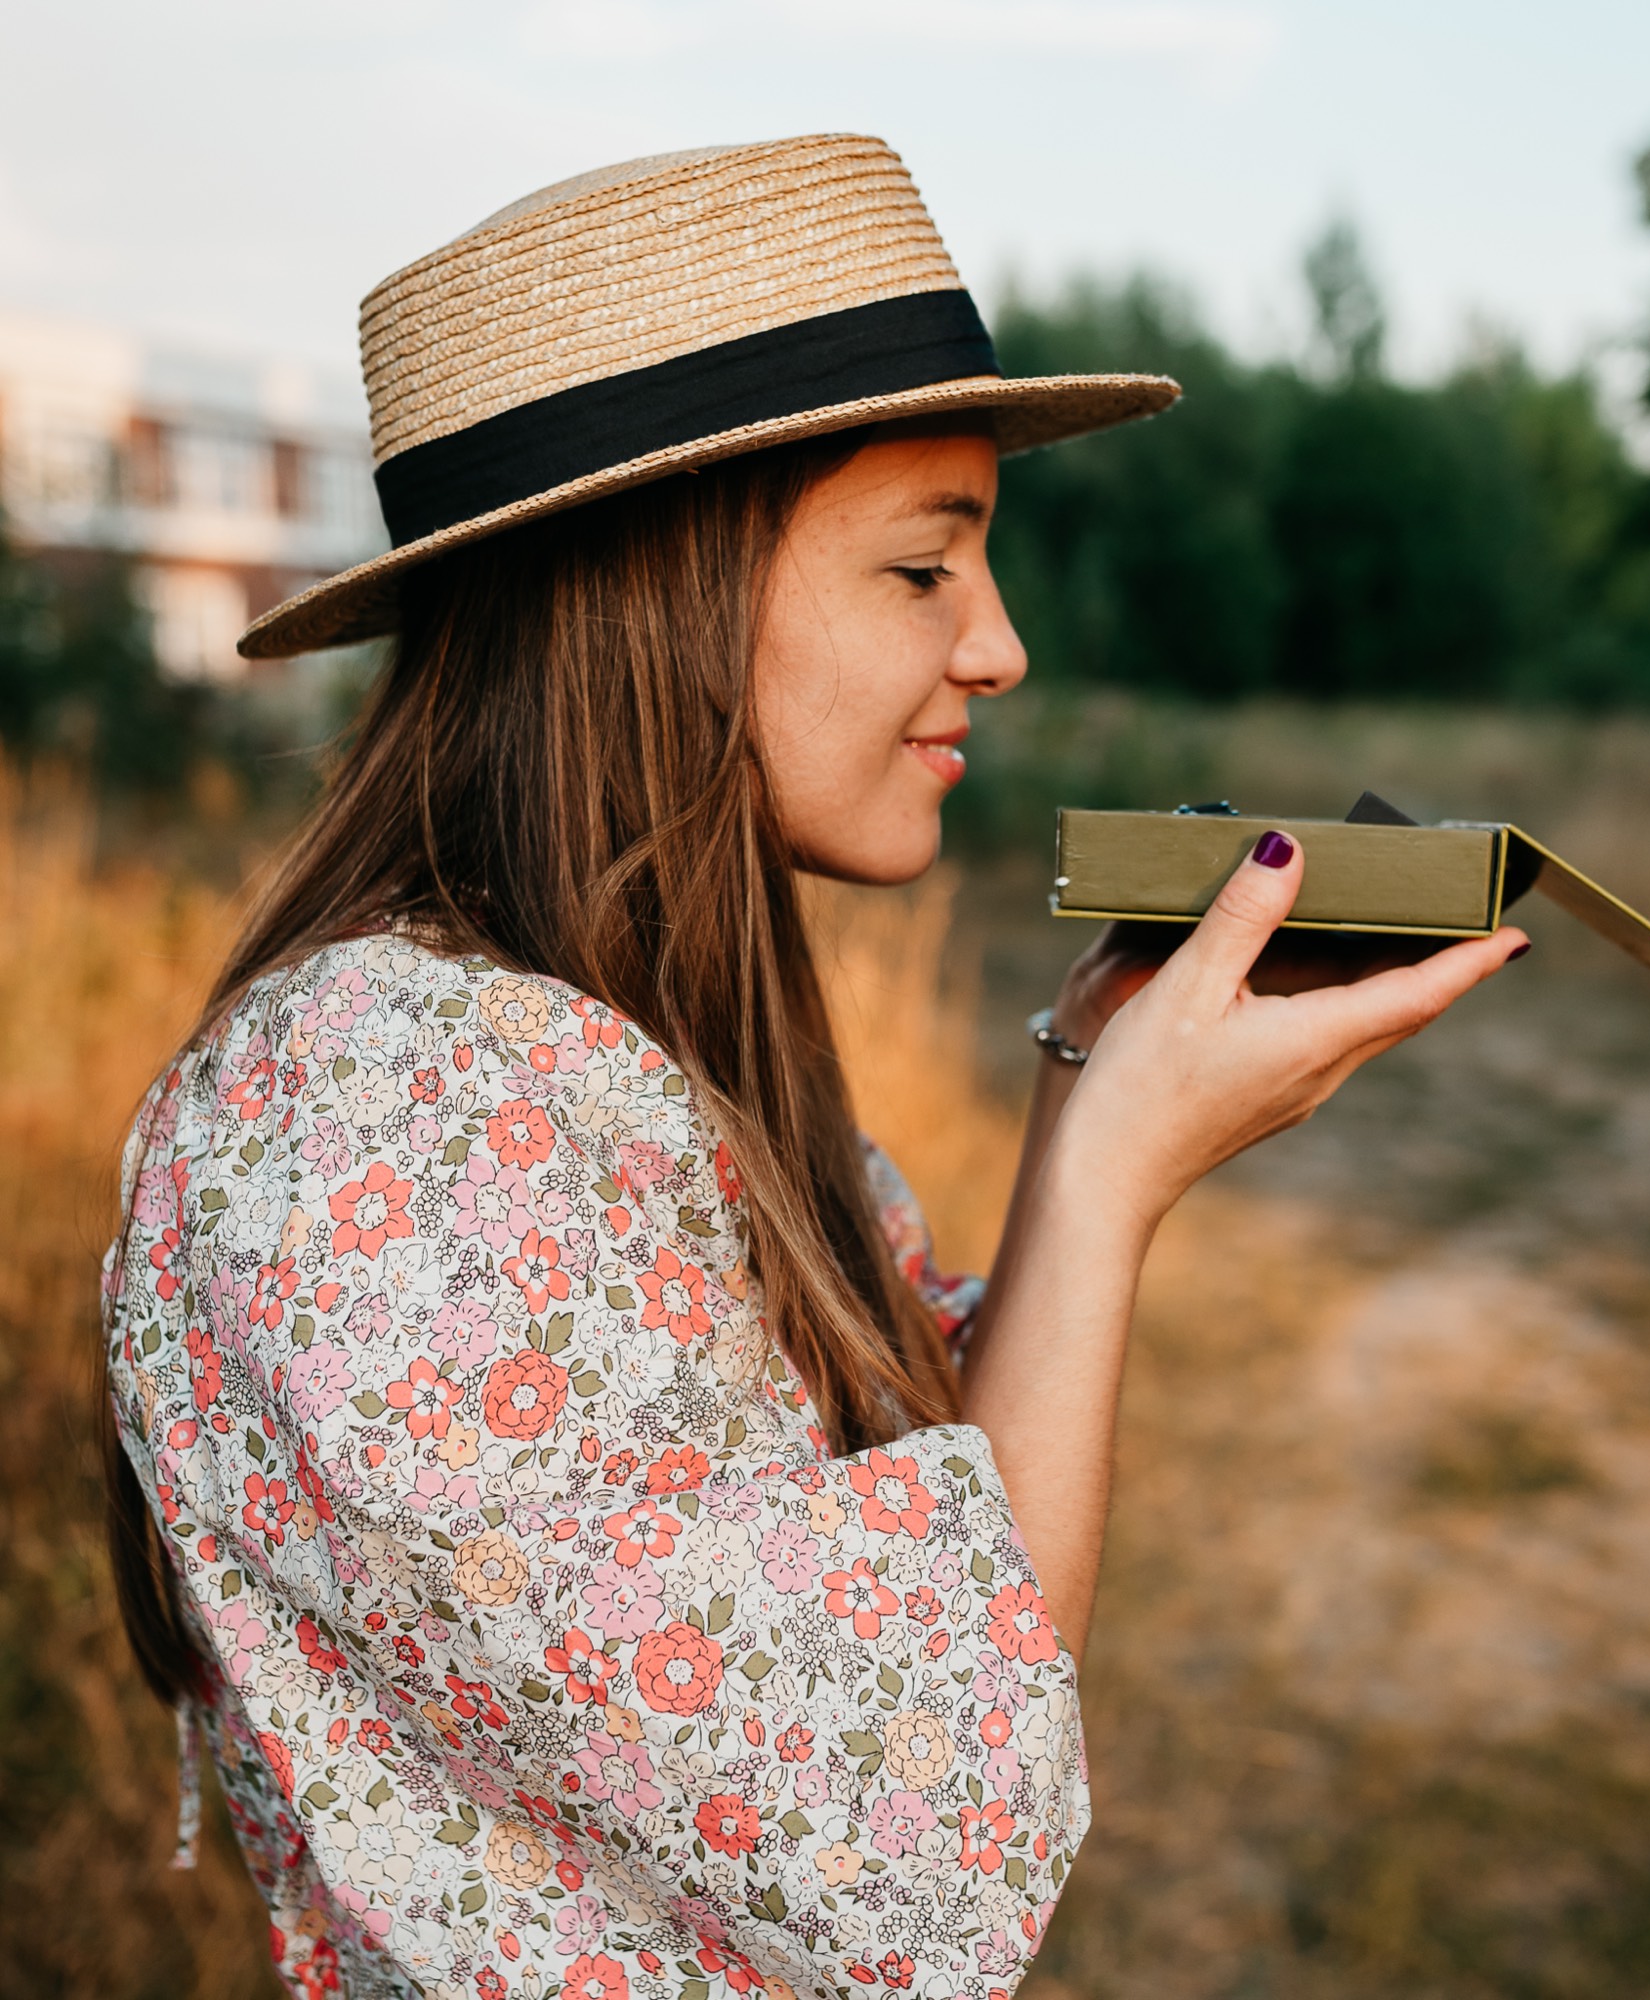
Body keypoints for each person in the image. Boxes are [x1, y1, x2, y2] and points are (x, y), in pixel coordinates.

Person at [101, 136, 1526, 2000]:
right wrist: (1110, 1187)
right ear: (653, 586)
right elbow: (908, 1834)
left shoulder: (596, 1050)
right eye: (923, 563)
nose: (999, 644)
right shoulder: (398, 1102)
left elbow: (901, 1538)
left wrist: (1080, 1103)